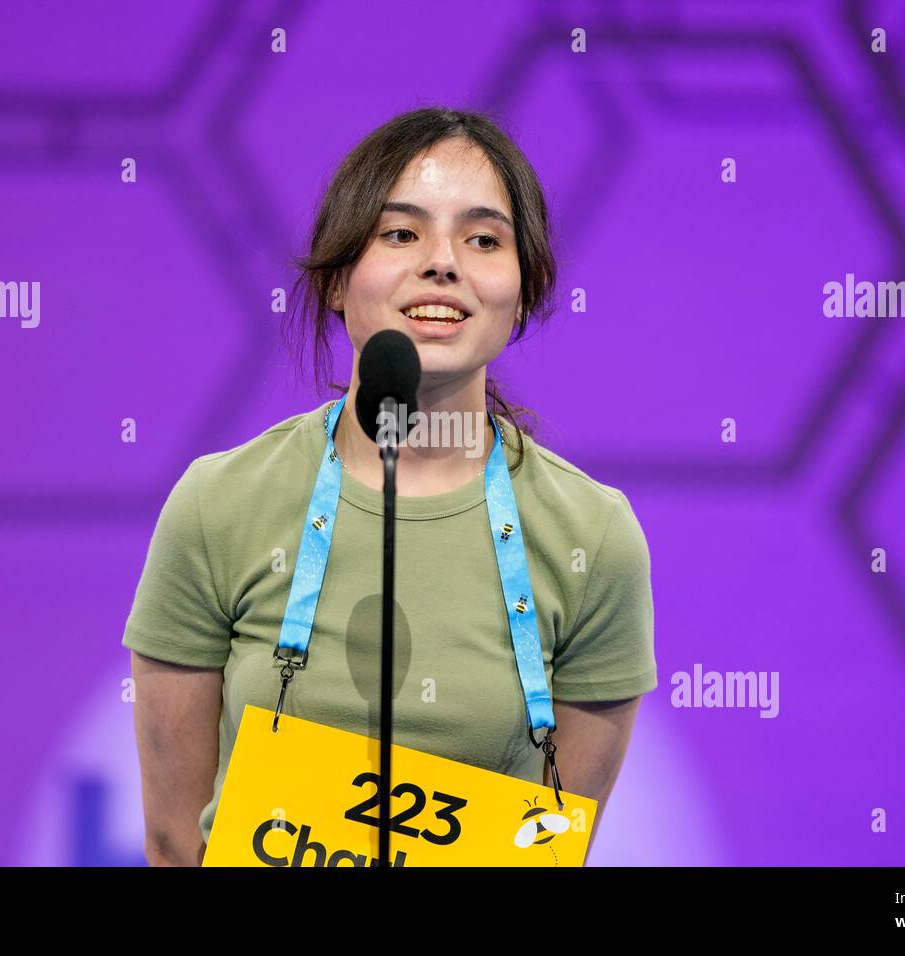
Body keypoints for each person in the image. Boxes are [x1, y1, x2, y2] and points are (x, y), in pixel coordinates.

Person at [123, 107, 657, 867]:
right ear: (339, 278)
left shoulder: (594, 539)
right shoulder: (218, 504)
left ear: (524, 288)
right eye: (401, 233)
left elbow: (547, 853)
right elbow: (176, 843)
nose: (443, 263)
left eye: (483, 239)